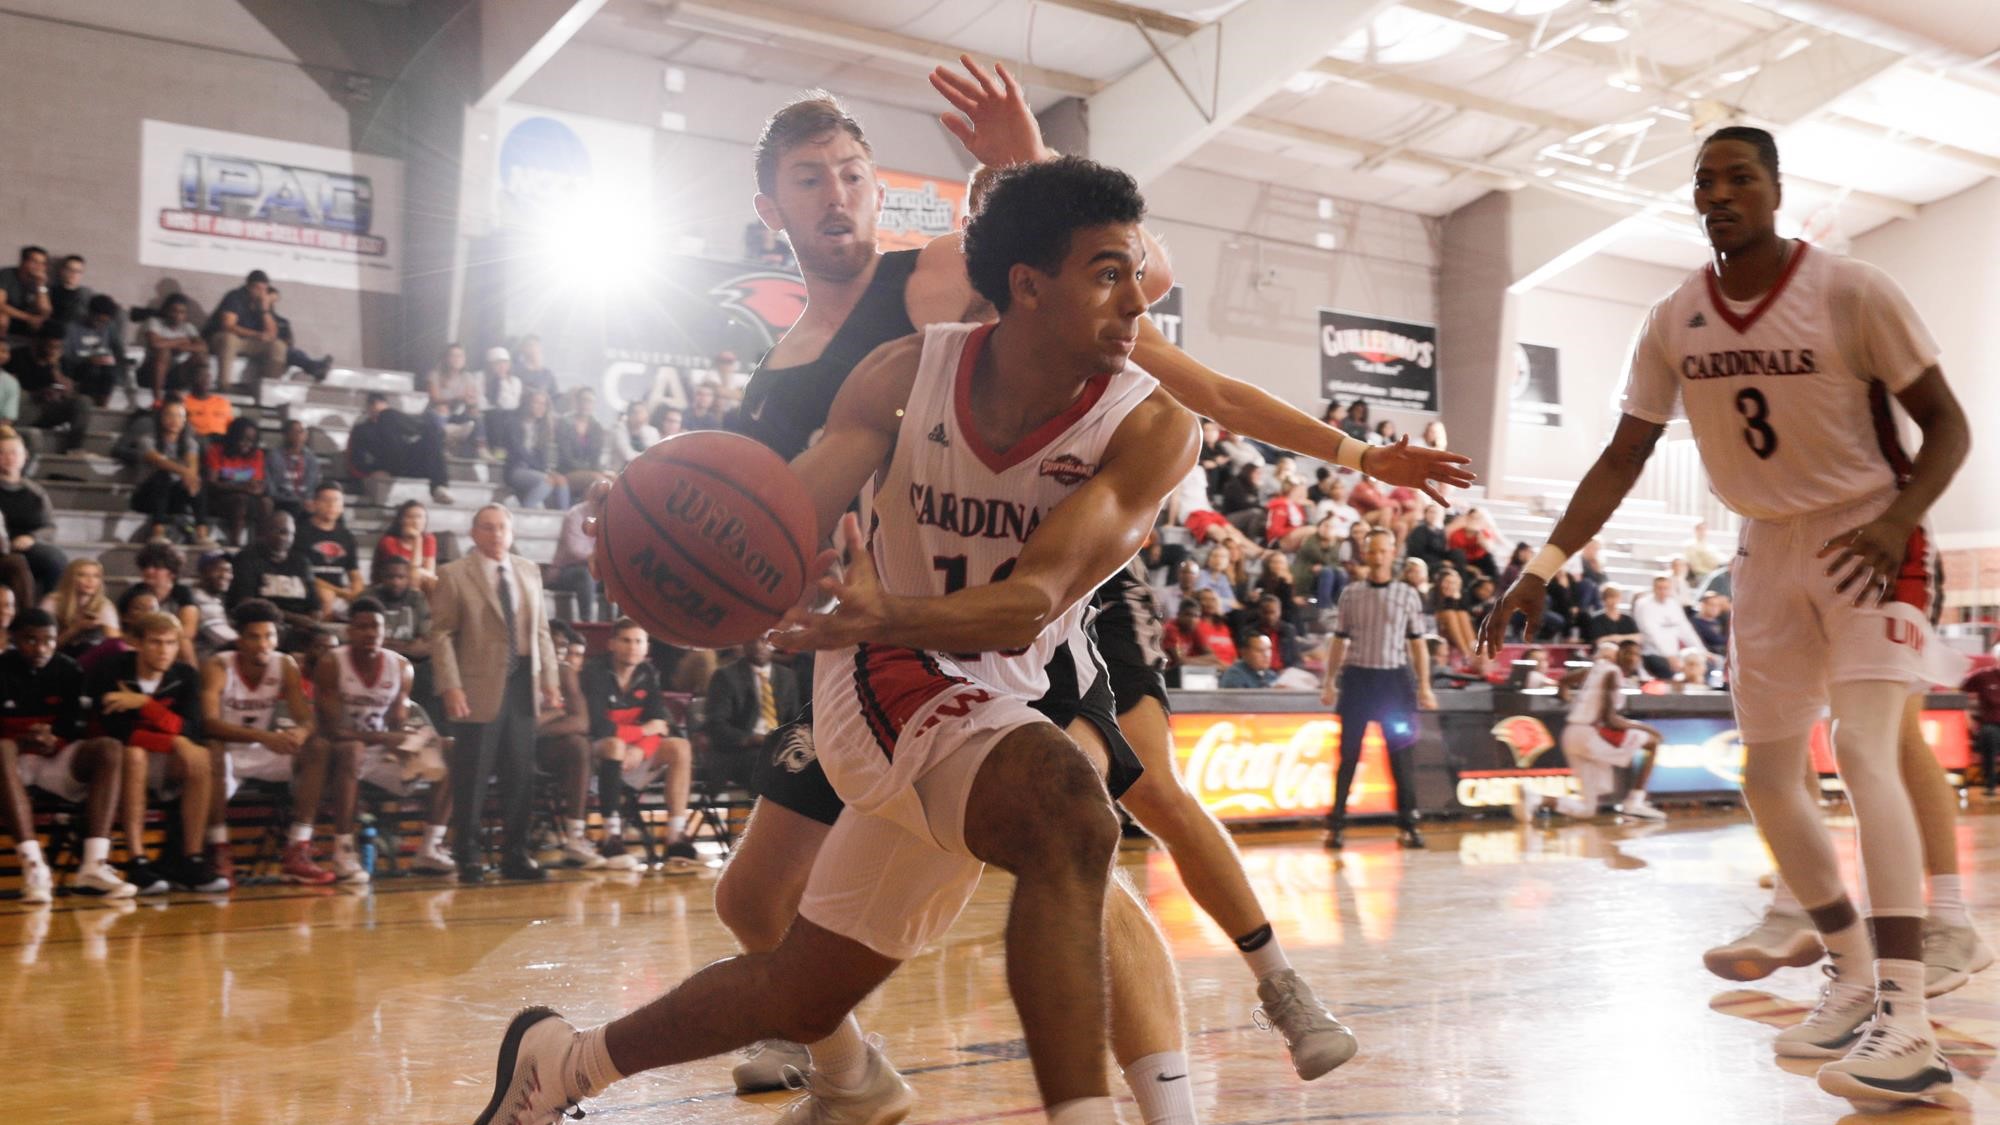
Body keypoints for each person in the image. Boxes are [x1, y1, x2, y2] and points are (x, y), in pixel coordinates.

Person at [477, 152, 1219, 1125]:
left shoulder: (1154, 428)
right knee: (1069, 816)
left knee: (799, 993)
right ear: (1028, 288)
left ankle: (564, 1064)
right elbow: (788, 513)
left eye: (1137, 275)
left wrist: (888, 611)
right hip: (883, 679)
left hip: (988, 670)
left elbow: (1031, 598)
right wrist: (685, 540)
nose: (1136, 303)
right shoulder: (905, 375)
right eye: (1109, 274)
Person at [1482, 125, 1971, 1106]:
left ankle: (1907, 1020)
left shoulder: (1849, 290)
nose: (1718, 193)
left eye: (1737, 177)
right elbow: (1621, 456)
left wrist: (1903, 521)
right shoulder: (1673, 316)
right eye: (1703, 181)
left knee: (1864, 752)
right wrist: (1540, 564)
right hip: (1761, 546)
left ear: (1774, 190)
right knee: (1763, 775)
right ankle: (1850, 975)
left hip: (1868, 533)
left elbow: (1948, 426)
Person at [430, 505, 562, 883]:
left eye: (502, 527)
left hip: (523, 680)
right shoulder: (453, 574)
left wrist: (550, 679)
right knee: (472, 775)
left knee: (520, 774)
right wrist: (451, 685)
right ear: (474, 534)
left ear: (511, 531)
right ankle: (468, 856)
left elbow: (541, 631)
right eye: (487, 528)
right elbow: (440, 635)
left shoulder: (528, 570)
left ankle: (515, 855)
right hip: (475, 685)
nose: (496, 534)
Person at [0, 608, 133, 901]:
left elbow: (76, 727)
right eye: (30, 640)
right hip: (10, 764)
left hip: (51, 759)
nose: (40, 648)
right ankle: (34, 867)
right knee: (3, 748)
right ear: (12, 639)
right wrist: (22, 741)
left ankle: (94, 865)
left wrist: (55, 741)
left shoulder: (69, 670)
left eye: (48, 640)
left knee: (109, 748)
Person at [89, 611, 225, 894]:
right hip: (121, 763)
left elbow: (191, 727)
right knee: (135, 753)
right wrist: (174, 741)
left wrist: (143, 703)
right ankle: (137, 860)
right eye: (155, 642)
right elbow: (117, 731)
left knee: (202, 755)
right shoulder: (111, 670)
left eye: (171, 643)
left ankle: (192, 858)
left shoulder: (186, 675)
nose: (164, 650)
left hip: (166, 760)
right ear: (137, 643)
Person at [1320, 527, 1436, 849]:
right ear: (1366, 554)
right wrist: (1329, 681)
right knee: (1348, 755)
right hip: (1358, 678)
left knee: (1400, 756)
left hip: (1394, 682)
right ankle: (1337, 824)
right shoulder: (1351, 593)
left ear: (1392, 553)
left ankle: (1408, 823)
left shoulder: (1407, 595)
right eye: (1373, 550)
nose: (1378, 556)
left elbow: (1418, 645)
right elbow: (1339, 641)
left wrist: (1425, 685)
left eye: (1384, 550)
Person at [200, 598, 328, 884]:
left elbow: (306, 717)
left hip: (261, 751)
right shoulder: (218, 665)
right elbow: (208, 724)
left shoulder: (285, 665)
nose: (262, 644)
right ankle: (218, 848)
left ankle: (298, 847)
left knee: (317, 748)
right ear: (239, 639)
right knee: (213, 750)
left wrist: (302, 732)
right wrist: (263, 736)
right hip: (225, 754)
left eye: (269, 636)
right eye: (254, 637)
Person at [312, 597, 417, 884]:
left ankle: (432, 846)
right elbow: (334, 730)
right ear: (349, 631)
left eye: (376, 627)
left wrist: (408, 742)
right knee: (352, 749)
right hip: (336, 755)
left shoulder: (402, 667)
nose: (370, 633)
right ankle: (343, 850)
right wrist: (385, 737)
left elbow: (398, 723)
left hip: (378, 751)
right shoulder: (332, 663)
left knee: (446, 749)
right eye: (362, 627)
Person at [582, 618, 698, 867]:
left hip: (632, 753)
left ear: (647, 647)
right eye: (626, 640)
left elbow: (662, 724)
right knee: (614, 744)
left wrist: (640, 748)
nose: (632, 646)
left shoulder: (648, 673)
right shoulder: (594, 671)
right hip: (594, 754)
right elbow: (597, 726)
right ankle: (611, 838)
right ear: (611, 644)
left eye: (638, 641)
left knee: (680, 747)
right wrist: (641, 732)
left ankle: (676, 838)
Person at [1518, 640, 1665, 822]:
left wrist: (1571, 702)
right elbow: (1609, 719)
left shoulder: (1598, 669)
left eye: (1635, 654)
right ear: (1619, 655)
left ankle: (1536, 799)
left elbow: (1563, 681)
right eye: (1628, 653)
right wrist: (1644, 726)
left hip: (1572, 733)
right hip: (1589, 734)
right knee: (1652, 741)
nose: (1632, 658)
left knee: (1588, 809)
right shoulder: (1612, 673)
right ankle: (1635, 801)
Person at [704, 637, 799, 789]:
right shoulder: (725, 676)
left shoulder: (787, 677)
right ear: (744, 644)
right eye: (753, 641)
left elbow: (795, 720)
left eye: (764, 641)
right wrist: (752, 739)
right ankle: (769, 811)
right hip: (739, 752)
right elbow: (716, 725)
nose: (759, 647)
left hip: (779, 747)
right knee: (768, 763)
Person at [117, 396, 208, 545]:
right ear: (161, 418)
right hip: (148, 497)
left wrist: (190, 475)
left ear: (185, 420)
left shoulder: (190, 443)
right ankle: (158, 532)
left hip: (174, 498)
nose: (174, 419)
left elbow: (193, 467)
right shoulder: (147, 440)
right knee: (163, 475)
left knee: (198, 481)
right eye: (169, 415)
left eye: (179, 416)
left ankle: (202, 533)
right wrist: (185, 472)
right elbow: (159, 461)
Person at [226, 510, 327, 636]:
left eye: (290, 534)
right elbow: (246, 603)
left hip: (300, 626)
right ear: (265, 532)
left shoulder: (301, 561)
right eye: (280, 531)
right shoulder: (247, 558)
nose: (285, 537)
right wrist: (294, 618)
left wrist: (313, 619)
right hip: (264, 624)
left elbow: (314, 602)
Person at [349, 392, 455, 506]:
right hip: (386, 466)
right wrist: (371, 471)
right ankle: (447, 432)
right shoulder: (361, 430)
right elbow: (356, 460)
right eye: (373, 403)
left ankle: (439, 487)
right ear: (368, 408)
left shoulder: (396, 423)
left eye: (380, 402)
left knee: (430, 420)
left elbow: (409, 444)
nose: (376, 406)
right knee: (389, 415)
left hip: (407, 461)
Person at [8, 320, 91, 451]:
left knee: (84, 401)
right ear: (38, 342)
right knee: (23, 397)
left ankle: (74, 450)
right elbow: (8, 391)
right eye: (50, 346)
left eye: (57, 347)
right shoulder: (16, 356)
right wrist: (36, 394)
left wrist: (54, 368)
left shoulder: (59, 360)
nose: (53, 350)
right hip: (25, 408)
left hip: (48, 408)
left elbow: (69, 390)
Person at [0, 429, 65, 595]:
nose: (9, 458)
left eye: (14, 453)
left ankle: (47, 608)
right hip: (3, 545)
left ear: (25, 456)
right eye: (2, 453)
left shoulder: (35, 492)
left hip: (27, 545)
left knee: (55, 558)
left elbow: (50, 526)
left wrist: (32, 538)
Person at [203, 269, 286, 394]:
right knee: (229, 339)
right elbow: (228, 326)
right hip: (220, 339)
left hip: (249, 341)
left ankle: (268, 390)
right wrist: (257, 335)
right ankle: (224, 385)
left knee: (278, 346)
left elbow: (272, 334)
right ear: (249, 287)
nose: (261, 293)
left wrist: (265, 309)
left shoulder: (263, 302)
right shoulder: (235, 297)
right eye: (258, 288)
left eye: (264, 289)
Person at [296, 484, 366, 614]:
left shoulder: (347, 537)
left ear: (342, 507)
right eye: (326, 500)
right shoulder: (300, 533)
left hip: (339, 591)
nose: (331, 505)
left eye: (336, 501)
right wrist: (341, 593)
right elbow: (303, 574)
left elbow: (354, 573)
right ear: (315, 503)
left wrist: (356, 591)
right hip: (308, 587)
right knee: (326, 596)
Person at [132, 542, 202, 668]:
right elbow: (130, 627)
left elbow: (188, 631)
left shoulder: (183, 593)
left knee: (184, 643)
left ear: (172, 573)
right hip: (144, 640)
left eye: (156, 567)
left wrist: (163, 637)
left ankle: (192, 683)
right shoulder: (135, 592)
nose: (149, 570)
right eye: (146, 566)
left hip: (172, 641)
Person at [202, 416, 270, 547]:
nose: (247, 444)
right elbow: (213, 483)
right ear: (233, 437)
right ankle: (235, 545)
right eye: (243, 439)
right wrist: (243, 484)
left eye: (251, 441)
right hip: (218, 499)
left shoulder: (257, 454)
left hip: (248, 498)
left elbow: (256, 483)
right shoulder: (216, 450)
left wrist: (226, 476)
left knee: (266, 503)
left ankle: (261, 545)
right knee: (240, 500)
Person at [43, 557, 119, 662]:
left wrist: (102, 626)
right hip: (57, 655)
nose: (90, 580)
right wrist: (76, 628)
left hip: (91, 658)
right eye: (82, 575)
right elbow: (44, 645)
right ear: (71, 578)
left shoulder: (104, 605)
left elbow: (116, 644)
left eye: (96, 576)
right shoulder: (54, 601)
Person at [505, 387, 570, 510]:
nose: (541, 407)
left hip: (537, 469)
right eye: (536, 403)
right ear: (527, 404)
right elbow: (519, 451)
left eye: (543, 404)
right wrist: (541, 470)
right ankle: (525, 510)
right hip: (516, 469)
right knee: (547, 481)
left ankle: (564, 516)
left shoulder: (542, 428)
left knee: (561, 480)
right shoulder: (513, 423)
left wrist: (545, 470)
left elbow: (543, 457)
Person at [1632, 574, 1705, 680]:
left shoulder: (1673, 604)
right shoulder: (1643, 604)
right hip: (1652, 653)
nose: (1662, 592)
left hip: (1674, 654)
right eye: (1659, 588)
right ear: (1653, 588)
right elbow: (1650, 633)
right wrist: (1669, 656)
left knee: (1701, 664)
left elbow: (1686, 630)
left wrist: (1701, 650)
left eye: (1665, 588)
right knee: (1668, 669)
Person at [138, 293, 208, 404]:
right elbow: (155, 344)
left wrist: (174, 345)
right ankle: (157, 401)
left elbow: (203, 347)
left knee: (200, 358)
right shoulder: (154, 322)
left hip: (176, 375)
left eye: (182, 312)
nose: (177, 315)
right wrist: (181, 341)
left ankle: (199, 401)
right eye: (174, 311)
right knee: (163, 353)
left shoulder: (188, 327)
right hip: (149, 374)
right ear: (166, 311)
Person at [62, 294, 129, 406]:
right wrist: (87, 359)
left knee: (109, 373)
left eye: (104, 322)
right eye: (98, 320)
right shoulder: (71, 327)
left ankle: (102, 407)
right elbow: (65, 355)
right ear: (89, 313)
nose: (100, 325)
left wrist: (114, 361)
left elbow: (119, 350)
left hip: (103, 368)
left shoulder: (110, 327)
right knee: (92, 370)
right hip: (78, 366)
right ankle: (87, 404)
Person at [426, 342, 486, 457]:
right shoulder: (434, 375)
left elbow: (471, 398)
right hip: (436, 414)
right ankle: (444, 445)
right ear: (446, 358)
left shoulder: (468, 377)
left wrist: (471, 402)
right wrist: (456, 398)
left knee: (475, 411)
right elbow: (434, 399)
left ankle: (481, 448)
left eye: (460, 356)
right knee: (442, 408)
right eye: (453, 355)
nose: (457, 359)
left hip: (458, 414)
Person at [262, 286, 332, 381]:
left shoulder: (281, 321)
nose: (273, 304)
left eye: (274, 301)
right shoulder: (258, 315)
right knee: (292, 353)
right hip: (266, 347)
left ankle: (315, 367)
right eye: (270, 301)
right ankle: (314, 367)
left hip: (282, 349)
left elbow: (289, 341)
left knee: (296, 352)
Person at [555, 386, 612, 498]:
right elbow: (566, 457)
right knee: (599, 480)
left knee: (614, 478)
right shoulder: (564, 423)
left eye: (590, 401)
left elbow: (596, 457)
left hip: (590, 471)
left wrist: (599, 471)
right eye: (584, 400)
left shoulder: (596, 426)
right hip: (568, 470)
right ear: (577, 402)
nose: (587, 404)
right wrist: (592, 472)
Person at [548, 496, 597, 623]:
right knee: (586, 574)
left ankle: (625, 624)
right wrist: (604, 559)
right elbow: (575, 551)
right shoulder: (575, 514)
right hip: (567, 569)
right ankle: (587, 623)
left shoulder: (614, 515)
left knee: (624, 574)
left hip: (599, 569)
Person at [373, 499, 439, 592]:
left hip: (419, 586)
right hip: (390, 586)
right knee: (415, 574)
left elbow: (429, 572)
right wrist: (417, 540)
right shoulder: (388, 541)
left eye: (420, 517)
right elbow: (408, 572)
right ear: (401, 520)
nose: (416, 522)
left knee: (434, 582)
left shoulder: (429, 539)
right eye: (410, 517)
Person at [265, 417, 322, 518]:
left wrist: (310, 500)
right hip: (283, 501)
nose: (298, 435)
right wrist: (296, 500)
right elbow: (271, 488)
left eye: (301, 432)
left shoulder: (310, 458)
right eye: (294, 432)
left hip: (306, 501)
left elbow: (314, 484)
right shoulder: (274, 456)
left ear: (305, 435)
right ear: (286, 435)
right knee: (296, 508)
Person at [188, 552, 238, 660]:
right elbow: (227, 639)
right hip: (205, 665)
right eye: (218, 569)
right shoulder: (199, 599)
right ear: (203, 572)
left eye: (228, 570)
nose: (224, 575)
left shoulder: (212, 598)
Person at [0, 245, 52, 339]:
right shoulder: (7, 274)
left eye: (43, 263)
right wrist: (28, 318)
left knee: (45, 323)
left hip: (28, 320)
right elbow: (0, 304)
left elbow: (45, 311)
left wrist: (40, 285)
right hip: (12, 316)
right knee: (2, 318)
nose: (39, 267)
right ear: (23, 262)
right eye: (35, 262)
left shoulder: (41, 280)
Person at [1969, 651, 2000, 798]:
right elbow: (1961, 690)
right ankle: (1990, 784)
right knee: (1989, 735)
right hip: (1991, 723)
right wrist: (1967, 713)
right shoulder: (1983, 676)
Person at [610, 400, 659, 468]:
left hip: (645, 471)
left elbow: (655, 455)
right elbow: (628, 456)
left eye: (641, 412)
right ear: (629, 415)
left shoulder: (652, 431)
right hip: (620, 472)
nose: (638, 416)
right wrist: (648, 458)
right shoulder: (618, 428)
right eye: (635, 413)